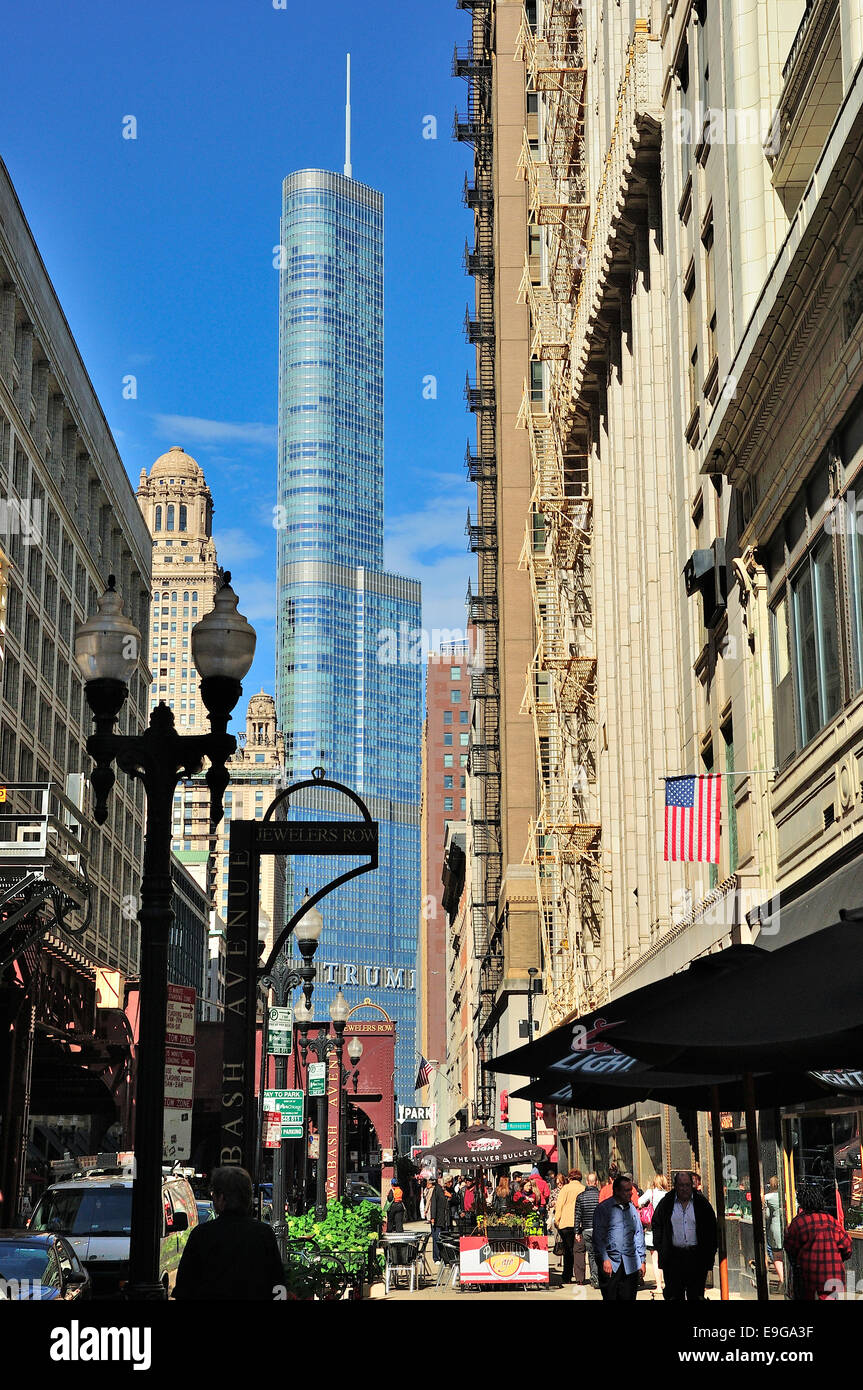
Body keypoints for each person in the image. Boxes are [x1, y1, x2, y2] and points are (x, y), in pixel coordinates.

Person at [174, 1166, 285, 1301]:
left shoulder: (202, 1235)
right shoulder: (263, 1234)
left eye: (213, 1194)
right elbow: (278, 1284)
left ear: (221, 1198)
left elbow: (184, 1287)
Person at [651, 1170, 718, 1301]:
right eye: (681, 1185)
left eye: (687, 1185)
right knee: (674, 1295)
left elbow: (712, 1230)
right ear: (675, 1186)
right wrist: (661, 1247)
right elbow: (657, 1224)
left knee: (696, 1295)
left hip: (696, 1258)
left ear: (692, 1185)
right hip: (673, 1258)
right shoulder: (667, 1203)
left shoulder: (701, 1203)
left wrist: (709, 1254)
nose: (684, 1189)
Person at [784, 1183, 852, 1300]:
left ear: (801, 1202)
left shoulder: (798, 1223)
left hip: (808, 1277)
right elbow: (847, 1246)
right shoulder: (832, 1222)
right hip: (833, 1276)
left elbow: (790, 1248)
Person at [592, 1174, 645, 1301]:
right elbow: (598, 1237)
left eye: (631, 1190)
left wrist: (642, 1260)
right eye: (626, 1190)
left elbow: (638, 1234)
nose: (630, 1194)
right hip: (611, 1263)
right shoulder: (603, 1209)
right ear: (616, 1191)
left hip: (630, 1263)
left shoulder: (632, 1208)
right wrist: (605, 1259)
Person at [638, 1173, 669, 1293]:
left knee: (655, 1260)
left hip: (652, 1231)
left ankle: (659, 1286)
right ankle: (668, 1283)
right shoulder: (668, 1195)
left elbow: (639, 1202)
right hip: (666, 1232)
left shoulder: (650, 1193)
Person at [551, 1169, 582, 1284]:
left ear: (570, 1178)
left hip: (565, 1223)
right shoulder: (583, 1188)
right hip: (579, 1223)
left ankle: (567, 1275)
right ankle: (579, 1275)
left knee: (568, 1251)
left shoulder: (565, 1189)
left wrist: (557, 1221)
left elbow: (559, 1206)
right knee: (578, 1251)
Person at [574, 1172, 600, 1288]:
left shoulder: (581, 1197)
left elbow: (577, 1215)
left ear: (587, 1182)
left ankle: (595, 1278)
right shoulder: (601, 1195)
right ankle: (600, 1277)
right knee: (600, 1253)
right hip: (599, 1229)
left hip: (587, 1229)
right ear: (596, 1182)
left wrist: (576, 1231)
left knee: (591, 1254)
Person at [764, 1176, 784, 1290]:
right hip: (787, 1226)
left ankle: (782, 1279)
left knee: (777, 1256)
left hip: (774, 1227)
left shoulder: (767, 1197)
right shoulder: (787, 1195)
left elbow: (767, 1215)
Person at [429, 1175, 452, 1261]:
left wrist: (450, 1197)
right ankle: (436, 1257)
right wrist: (433, 1217)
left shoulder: (450, 1190)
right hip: (438, 1218)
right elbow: (433, 1203)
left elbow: (456, 1201)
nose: (451, 1184)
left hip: (446, 1219)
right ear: (446, 1183)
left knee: (445, 1238)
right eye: (450, 1182)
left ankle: (444, 1257)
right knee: (437, 1238)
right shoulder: (437, 1189)